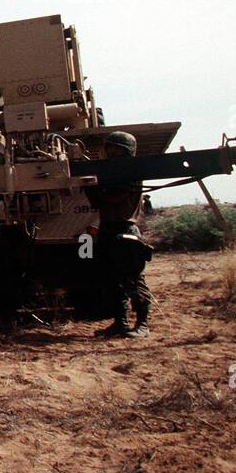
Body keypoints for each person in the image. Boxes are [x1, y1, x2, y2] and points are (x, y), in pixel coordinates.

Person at [86, 130, 153, 339]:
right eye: (110, 149)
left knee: (133, 279)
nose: (112, 153)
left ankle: (142, 324)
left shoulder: (131, 172)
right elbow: (98, 202)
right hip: (108, 228)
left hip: (126, 230)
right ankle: (120, 323)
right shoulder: (108, 173)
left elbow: (114, 198)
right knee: (113, 281)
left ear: (128, 152)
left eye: (117, 150)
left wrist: (94, 186)